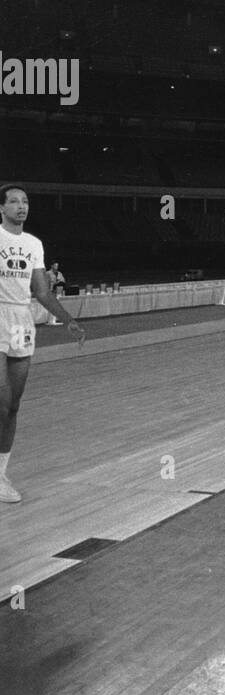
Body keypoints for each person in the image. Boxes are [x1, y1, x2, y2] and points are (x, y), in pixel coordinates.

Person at [0, 184, 85, 504]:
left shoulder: (33, 244)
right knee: (0, 400)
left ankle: (1, 475)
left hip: (21, 321)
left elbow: (42, 291)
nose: (21, 206)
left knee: (12, 407)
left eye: (25, 201)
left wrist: (68, 319)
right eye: (13, 201)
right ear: (1, 208)